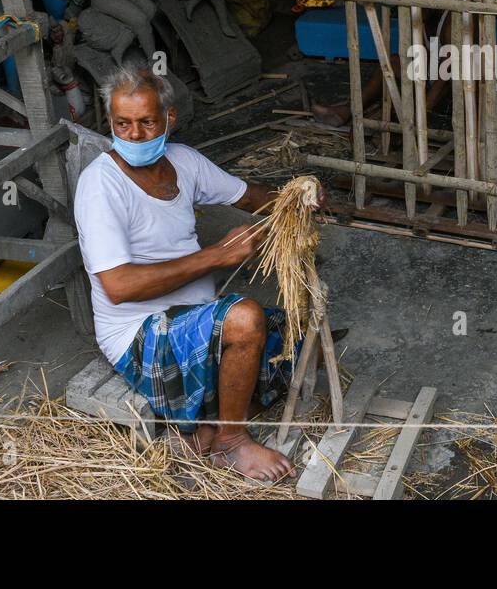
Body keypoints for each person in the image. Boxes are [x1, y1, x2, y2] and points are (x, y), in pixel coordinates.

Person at [74, 65, 320, 481]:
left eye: (146, 122)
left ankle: (203, 426)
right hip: (139, 332)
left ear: (169, 119)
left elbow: (249, 196)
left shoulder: (183, 162)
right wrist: (216, 256)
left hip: (194, 315)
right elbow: (118, 287)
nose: (133, 135)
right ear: (111, 123)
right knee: (244, 319)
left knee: (291, 334)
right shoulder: (100, 186)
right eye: (122, 124)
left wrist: (296, 198)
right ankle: (230, 443)